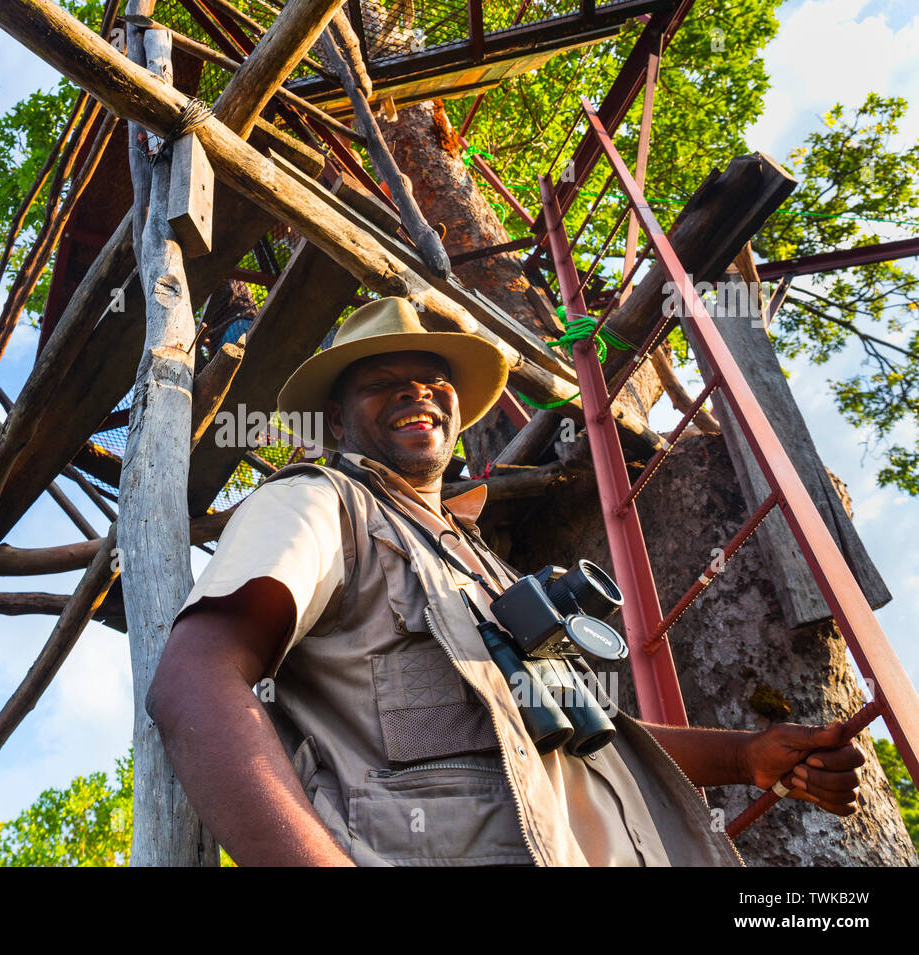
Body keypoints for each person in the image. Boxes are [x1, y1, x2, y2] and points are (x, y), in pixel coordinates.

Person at [146, 296, 866, 866]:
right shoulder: (320, 501)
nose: (418, 395)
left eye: (434, 382)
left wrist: (746, 756)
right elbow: (196, 681)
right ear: (336, 417)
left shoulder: (485, 564)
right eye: (384, 384)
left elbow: (588, 737)